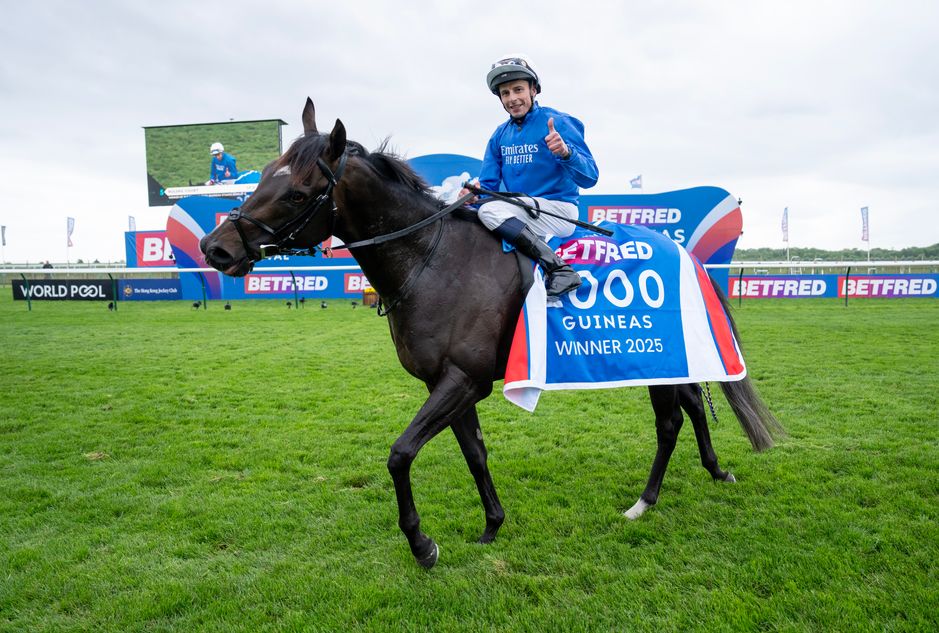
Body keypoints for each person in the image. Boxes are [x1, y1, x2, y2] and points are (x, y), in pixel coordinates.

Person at [462, 55, 599, 296]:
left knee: (490, 211)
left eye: (518, 90)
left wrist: (566, 153)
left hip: (559, 213)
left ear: (533, 90)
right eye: (505, 93)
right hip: (523, 211)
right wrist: (472, 195)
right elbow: (488, 185)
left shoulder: (558, 122)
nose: (512, 99)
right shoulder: (499, 136)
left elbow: (590, 178)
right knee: (470, 210)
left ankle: (560, 270)